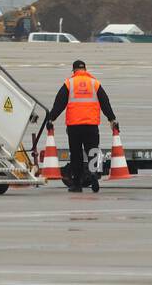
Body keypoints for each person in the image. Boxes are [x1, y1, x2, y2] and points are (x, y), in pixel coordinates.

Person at [46, 59, 117, 193]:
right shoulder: (94, 83)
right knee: (92, 151)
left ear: (74, 71)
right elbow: (105, 102)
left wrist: (51, 118)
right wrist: (111, 118)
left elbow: (59, 103)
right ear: (85, 70)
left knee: (76, 155)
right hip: (91, 125)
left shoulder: (69, 83)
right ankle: (94, 176)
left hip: (74, 126)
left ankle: (77, 184)